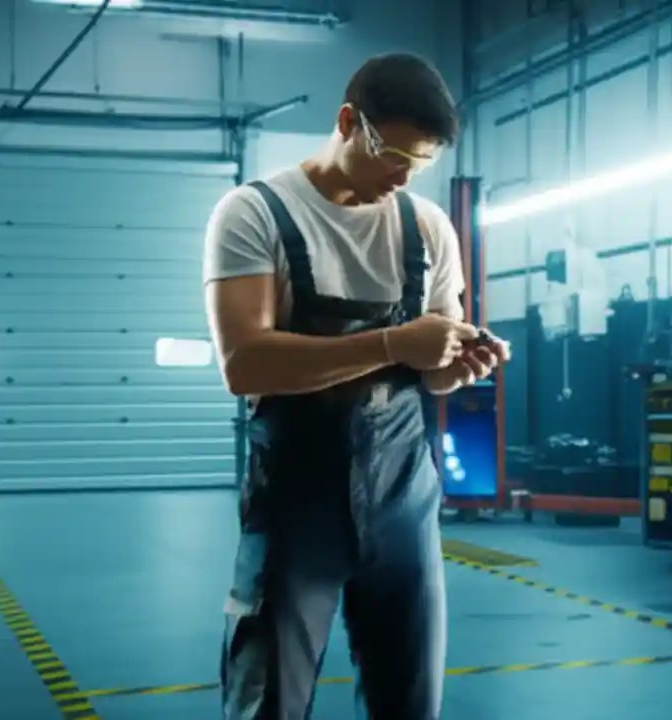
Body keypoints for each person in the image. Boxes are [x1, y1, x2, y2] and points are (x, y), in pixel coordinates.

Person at [202, 52, 511, 719]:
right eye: (393, 153)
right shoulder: (254, 214)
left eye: (419, 163)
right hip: (295, 501)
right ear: (347, 121)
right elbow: (245, 364)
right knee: (269, 701)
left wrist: (455, 366)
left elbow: (431, 374)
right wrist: (395, 342)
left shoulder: (426, 227)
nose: (401, 177)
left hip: (404, 496)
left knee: (411, 701)